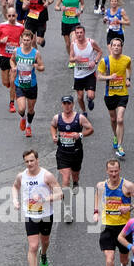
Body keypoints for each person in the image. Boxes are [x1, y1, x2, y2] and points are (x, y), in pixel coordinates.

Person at [12, 148, 62, 266]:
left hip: (46, 214)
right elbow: (15, 186)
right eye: (26, 161)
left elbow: (59, 193)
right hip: (30, 215)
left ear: (37, 160)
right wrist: (15, 200)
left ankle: (44, 254)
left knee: (44, 241)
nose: (29, 164)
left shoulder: (46, 176)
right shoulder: (21, 176)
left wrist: (44, 199)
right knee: (33, 246)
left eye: (32, 160)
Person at [93, 157, 134, 266]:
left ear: (120, 170)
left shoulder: (128, 186)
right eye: (111, 171)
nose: (113, 174)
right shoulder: (101, 186)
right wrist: (96, 212)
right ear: (107, 171)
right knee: (109, 260)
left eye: (116, 171)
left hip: (124, 229)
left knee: (123, 258)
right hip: (107, 228)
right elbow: (97, 198)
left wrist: (130, 208)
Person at [51, 94, 93, 224]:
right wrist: (54, 136)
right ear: (62, 105)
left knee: (75, 175)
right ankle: (68, 211)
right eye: (65, 103)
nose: (67, 106)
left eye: (69, 103)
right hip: (62, 153)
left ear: (73, 104)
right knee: (65, 179)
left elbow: (90, 129)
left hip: (76, 153)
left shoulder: (79, 118)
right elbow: (53, 126)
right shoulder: (57, 118)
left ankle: (76, 182)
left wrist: (79, 134)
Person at [98, 35, 131, 158]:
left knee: (120, 119)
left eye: (118, 45)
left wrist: (128, 79)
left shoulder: (127, 59)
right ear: (110, 48)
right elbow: (99, 76)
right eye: (114, 45)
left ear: (122, 48)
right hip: (109, 94)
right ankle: (116, 137)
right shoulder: (104, 61)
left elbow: (128, 69)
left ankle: (120, 146)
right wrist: (109, 77)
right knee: (113, 119)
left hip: (123, 93)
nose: (116, 47)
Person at [10, 28, 44, 138]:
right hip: (19, 84)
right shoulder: (17, 51)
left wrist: (36, 66)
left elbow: (42, 67)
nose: (26, 42)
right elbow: (11, 60)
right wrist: (14, 67)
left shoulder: (36, 53)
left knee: (30, 109)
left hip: (31, 85)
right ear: (21, 40)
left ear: (31, 40)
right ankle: (23, 118)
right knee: (21, 109)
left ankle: (28, 126)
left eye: (28, 40)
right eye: (24, 40)